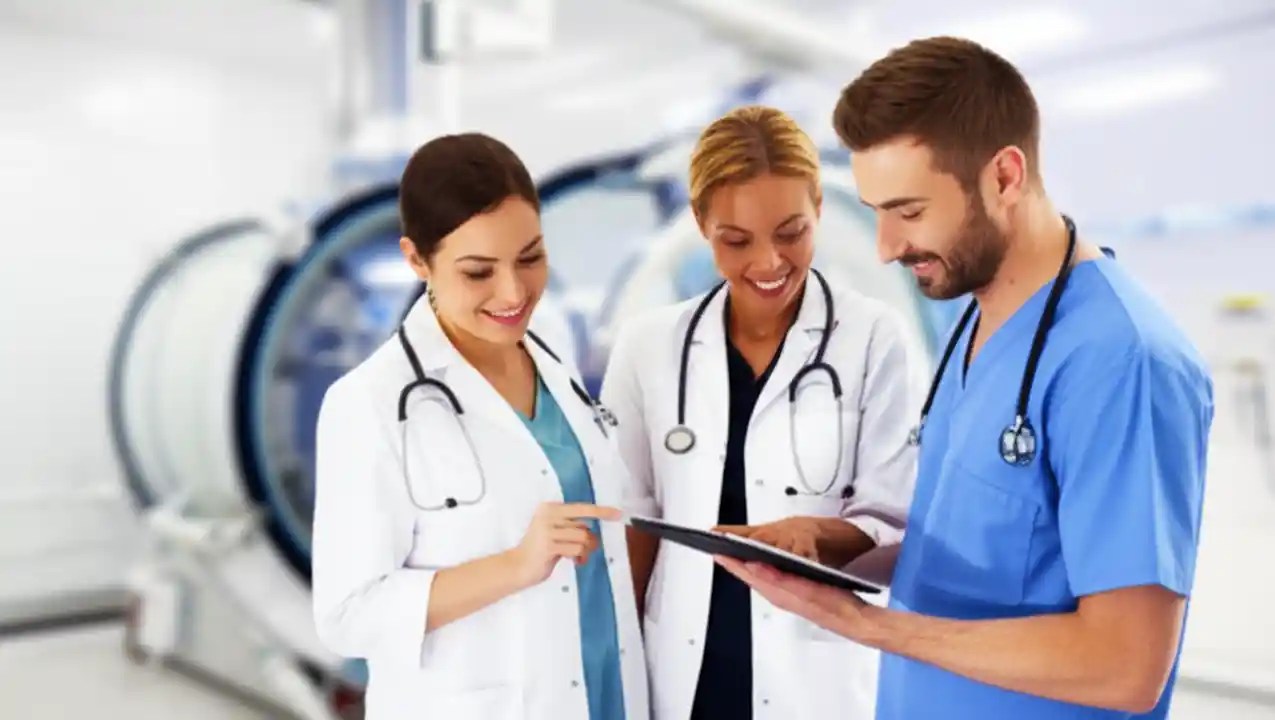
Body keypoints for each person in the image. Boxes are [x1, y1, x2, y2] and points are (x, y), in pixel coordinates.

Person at [716, 36, 1215, 720]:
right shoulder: (972, 319)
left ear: (1004, 178)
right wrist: (829, 548)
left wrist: (869, 626)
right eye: (877, 214)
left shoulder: (1121, 360)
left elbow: (1126, 667)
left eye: (909, 212)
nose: (888, 247)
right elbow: (979, 552)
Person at [310, 132, 649, 720]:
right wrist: (514, 566)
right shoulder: (367, 404)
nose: (513, 292)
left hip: (608, 694)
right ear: (417, 259)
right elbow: (347, 616)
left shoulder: (552, 355)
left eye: (530, 258)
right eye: (478, 272)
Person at [599, 105, 922, 719]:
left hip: (812, 676)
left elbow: (895, 520)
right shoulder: (648, 347)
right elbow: (632, 529)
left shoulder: (876, 338)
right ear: (700, 224)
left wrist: (818, 533)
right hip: (680, 676)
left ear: (820, 208)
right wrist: (621, 682)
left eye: (791, 231)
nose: (769, 263)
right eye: (737, 240)